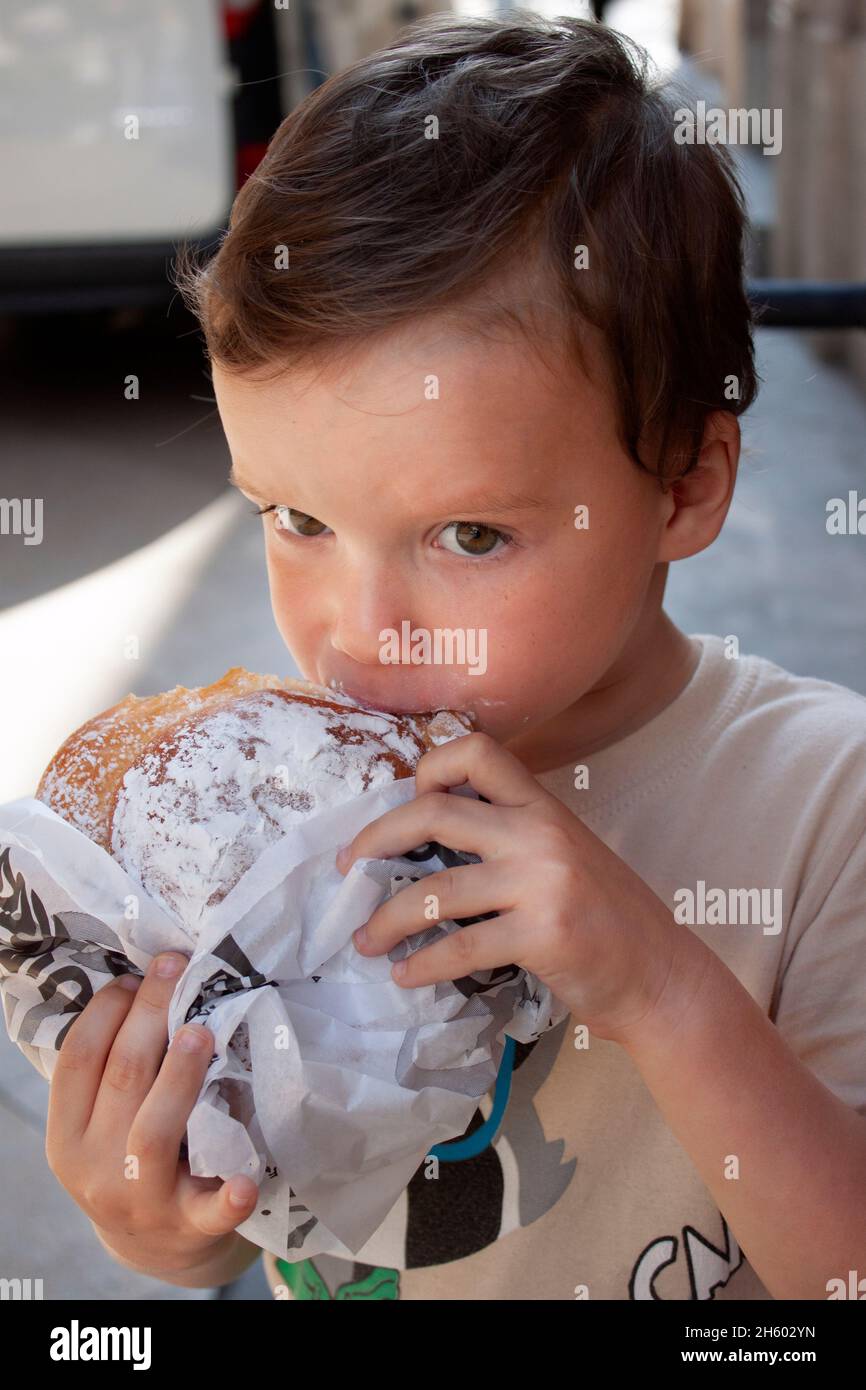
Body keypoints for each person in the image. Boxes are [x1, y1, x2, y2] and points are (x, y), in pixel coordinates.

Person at [46, 12, 866, 1300]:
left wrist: (655, 982)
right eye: (297, 519)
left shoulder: (826, 807)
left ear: (686, 485)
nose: (359, 635)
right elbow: (255, 1212)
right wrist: (172, 1230)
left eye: (470, 533)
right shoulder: (267, 818)